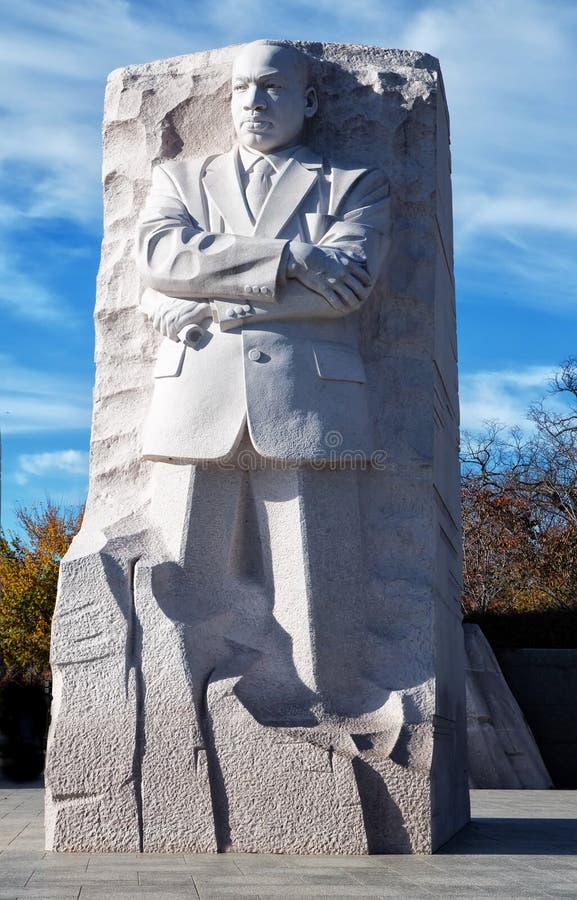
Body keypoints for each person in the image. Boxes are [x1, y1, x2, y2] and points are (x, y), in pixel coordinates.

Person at [137, 39, 390, 721]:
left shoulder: (353, 185)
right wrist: (293, 257)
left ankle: (333, 714)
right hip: (196, 394)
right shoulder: (180, 180)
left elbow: (347, 289)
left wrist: (217, 299)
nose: (254, 101)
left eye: (273, 87)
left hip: (311, 400)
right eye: (242, 88)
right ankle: (181, 719)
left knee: (317, 579)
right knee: (181, 574)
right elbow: (161, 258)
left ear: (307, 100)